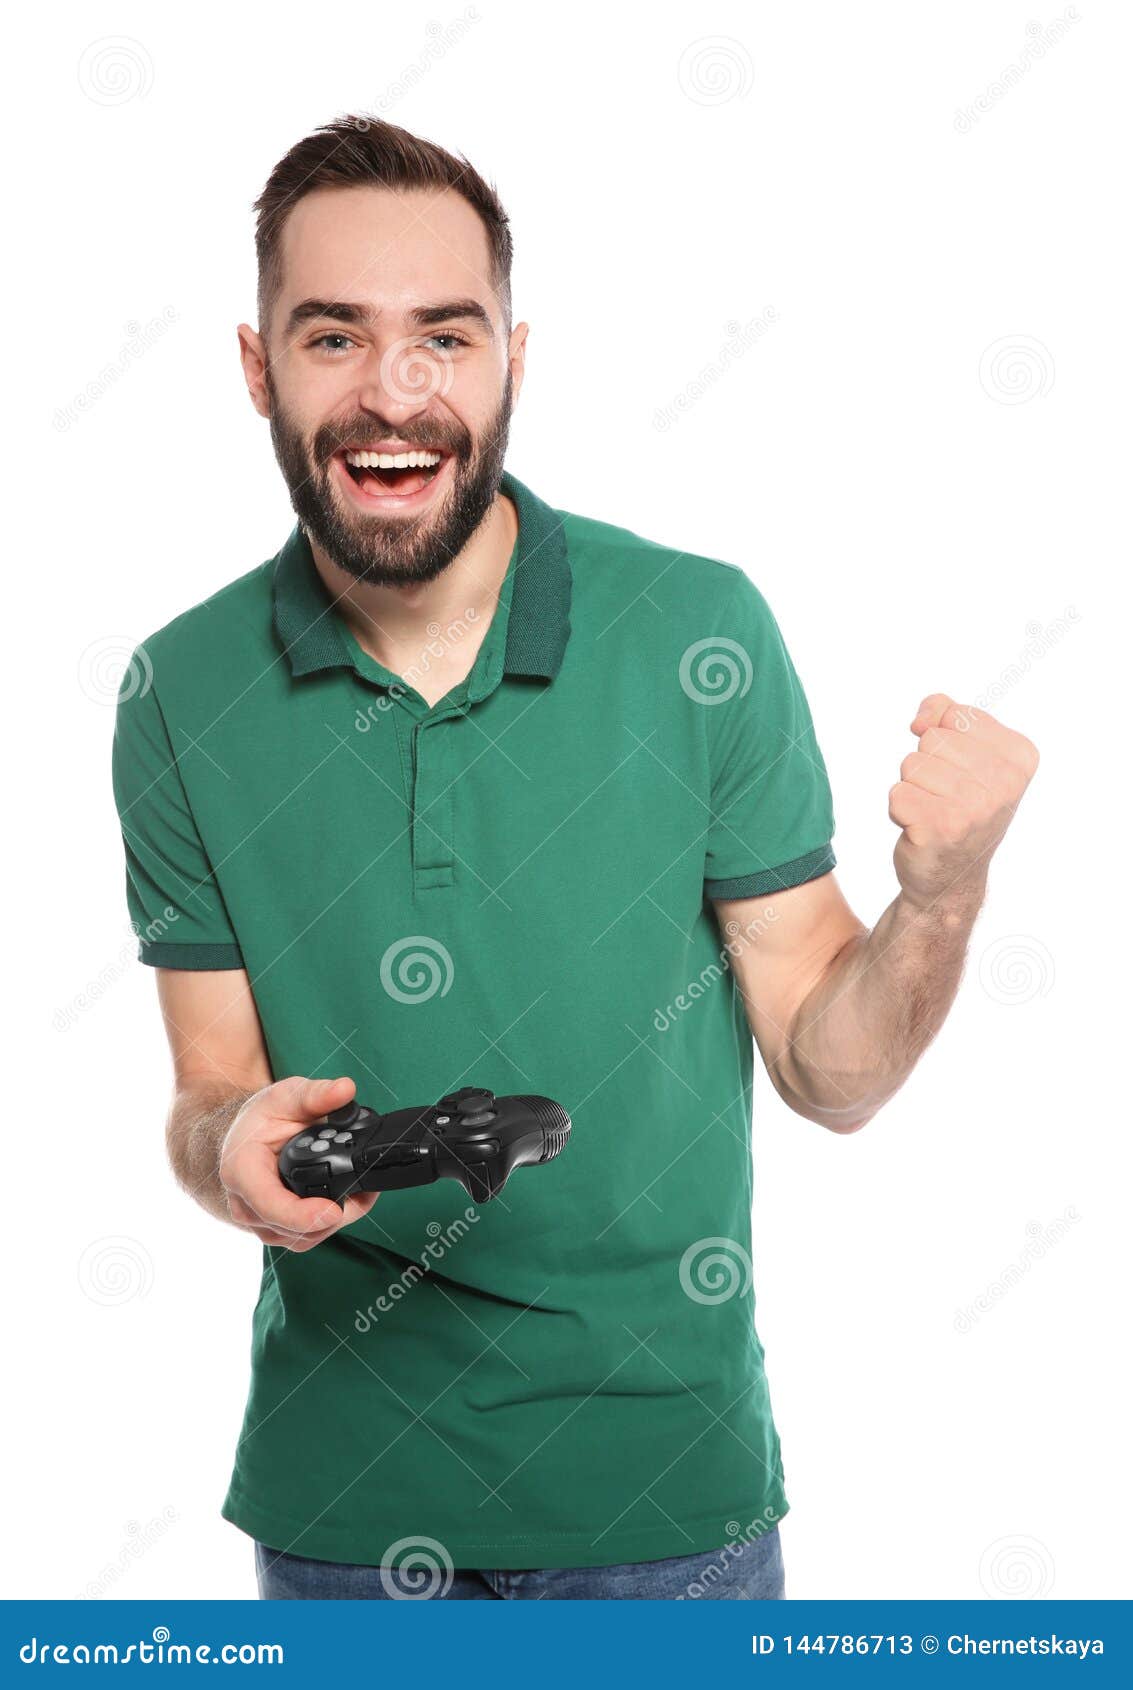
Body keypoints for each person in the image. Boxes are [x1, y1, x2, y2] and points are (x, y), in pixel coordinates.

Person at [111, 116, 1039, 1602]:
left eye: (445, 336)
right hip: (343, 1504)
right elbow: (207, 1087)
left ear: (512, 361)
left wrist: (941, 898)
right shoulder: (183, 689)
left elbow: (828, 1069)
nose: (392, 391)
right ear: (255, 366)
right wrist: (227, 1150)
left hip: (668, 1509)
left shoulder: (696, 636)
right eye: (333, 335)